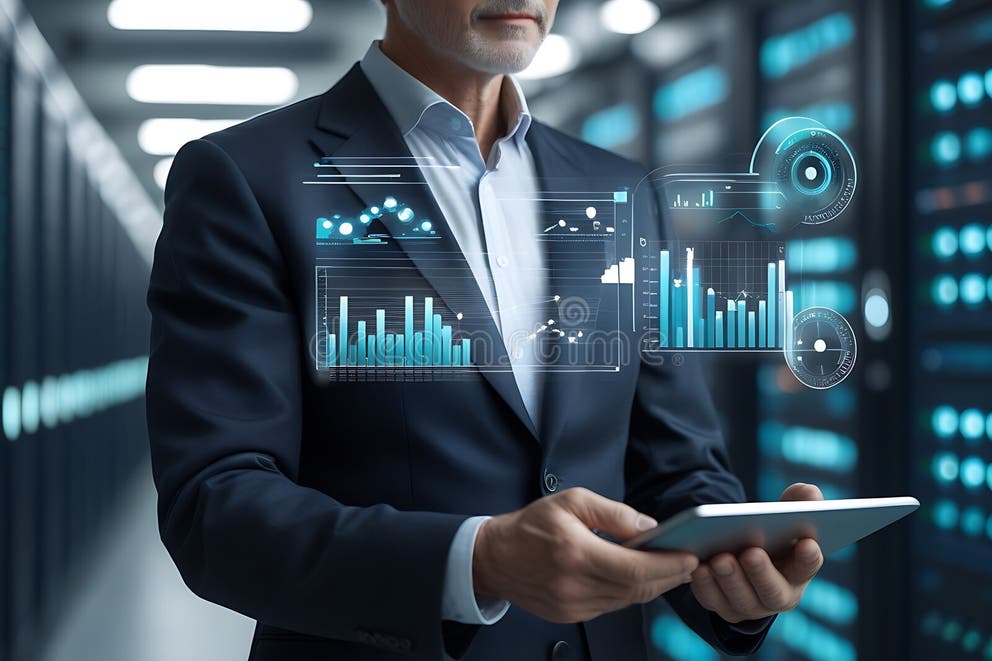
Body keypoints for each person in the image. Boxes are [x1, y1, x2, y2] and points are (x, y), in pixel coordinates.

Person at [146, 1, 825, 660]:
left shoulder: (619, 190)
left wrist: (734, 574)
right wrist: (478, 561)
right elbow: (215, 505)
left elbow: (676, 466)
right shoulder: (250, 179)